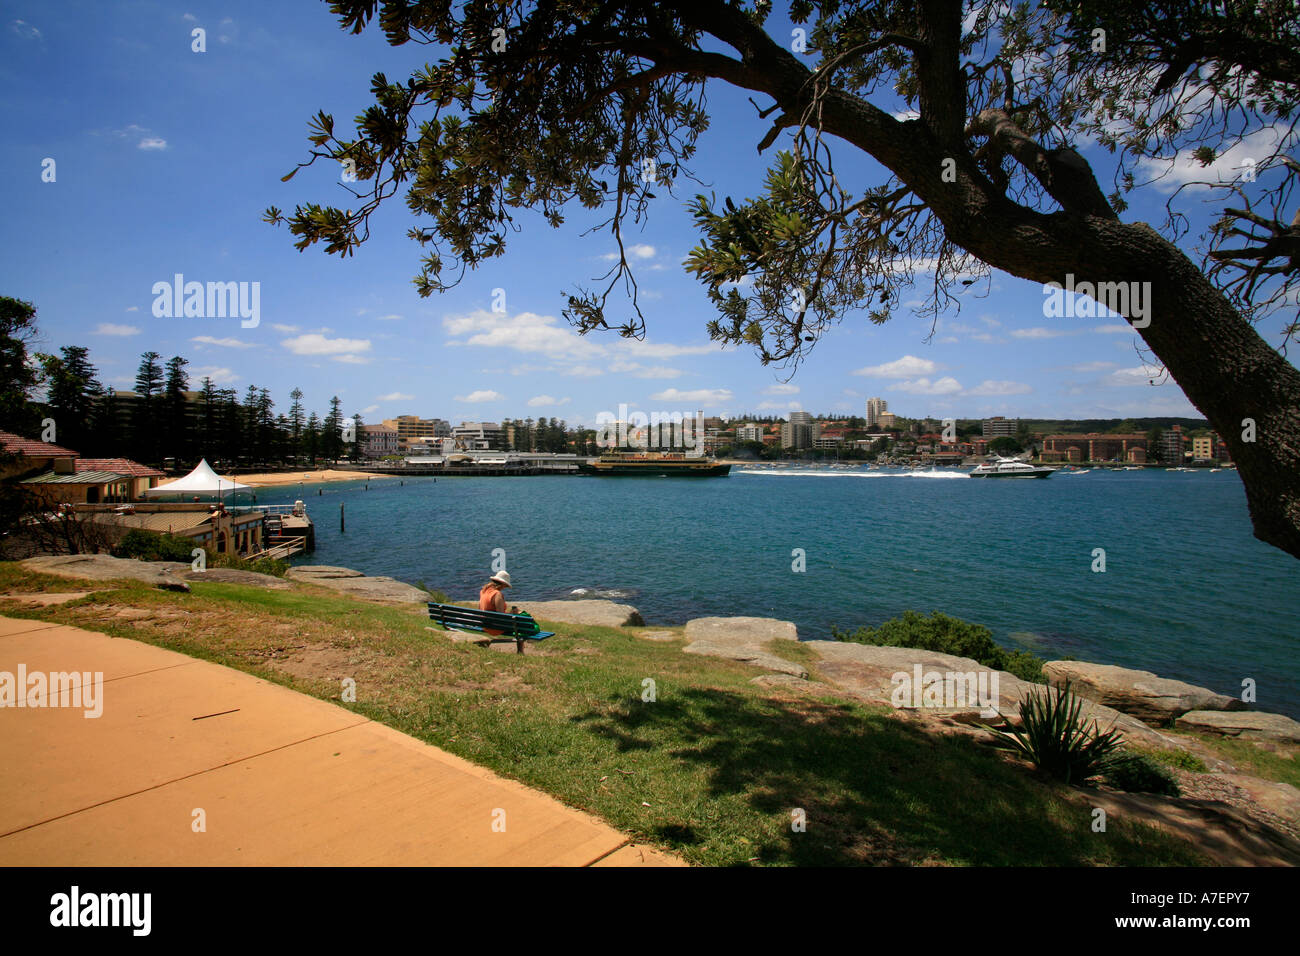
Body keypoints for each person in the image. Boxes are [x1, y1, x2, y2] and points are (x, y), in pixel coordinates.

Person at [478, 570, 517, 636]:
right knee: (522, 620)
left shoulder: (483, 591)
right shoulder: (497, 594)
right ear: (503, 584)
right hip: (495, 628)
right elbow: (501, 616)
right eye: (506, 586)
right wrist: (512, 613)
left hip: (485, 625)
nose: (505, 587)